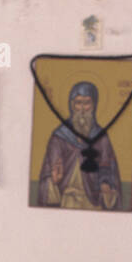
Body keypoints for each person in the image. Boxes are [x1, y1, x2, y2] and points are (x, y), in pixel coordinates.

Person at [38, 81, 122, 210]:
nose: (82, 108)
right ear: (72, 105)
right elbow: (47, 177)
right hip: (65, 203)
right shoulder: (59, 137)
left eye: (87, 103)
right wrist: (53, 181)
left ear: (94, 105)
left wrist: (106, 184)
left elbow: (108, 168)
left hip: (94, 205)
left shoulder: (101, 138)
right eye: (78, 103)